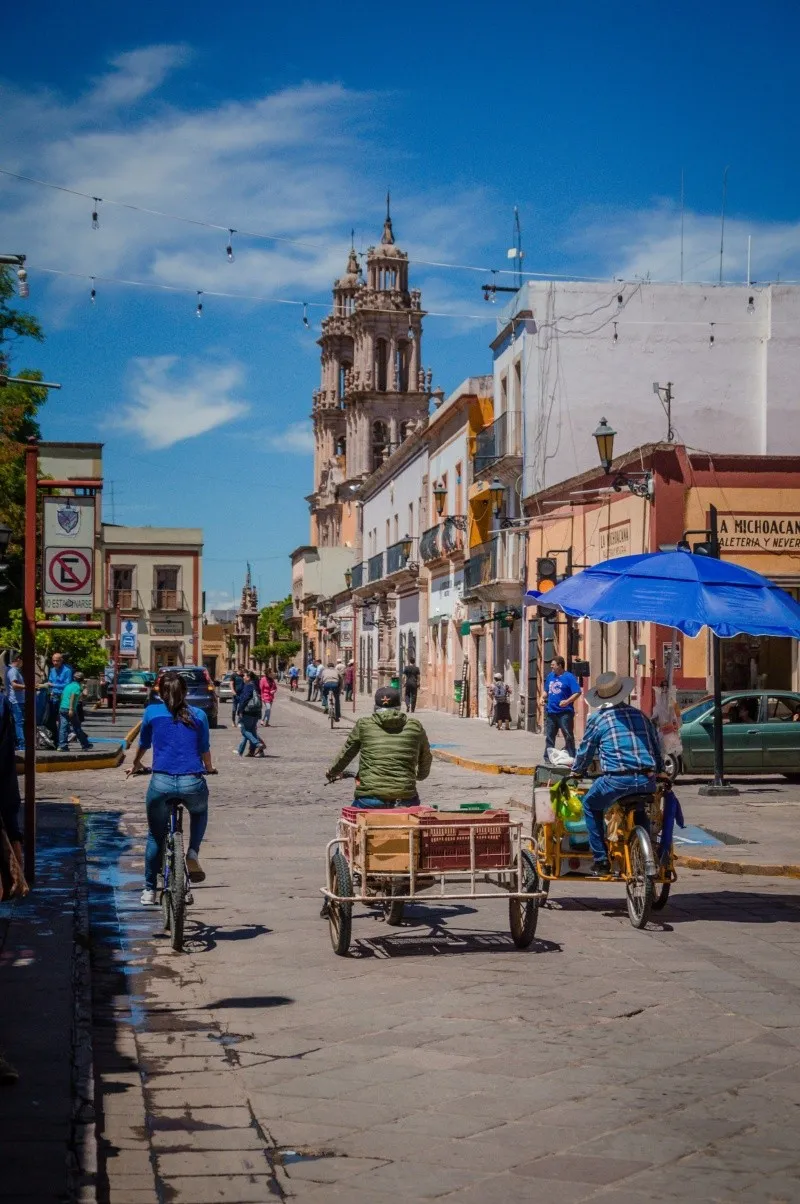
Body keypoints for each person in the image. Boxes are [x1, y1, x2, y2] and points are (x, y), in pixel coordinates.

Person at [130, 670, 215, 904]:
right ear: (185, 692)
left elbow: (143, 745)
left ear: (159, 692)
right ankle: (193, 852)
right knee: (199, 811)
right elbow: (204, 748)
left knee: (155, 837)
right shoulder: (198, 715)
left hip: (161, 782)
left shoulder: (152, 713)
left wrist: (135, 765)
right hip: (192, 781)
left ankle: (149, 890)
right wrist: (208, 767)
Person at [572, 671, 663, 876]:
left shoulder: (598, 719)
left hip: (617, 780)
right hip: (647, 779)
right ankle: (644, 850)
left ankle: (601, 859)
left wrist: (577, 771)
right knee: (639, 808)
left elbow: (586, 751)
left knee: (591, 805)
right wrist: (661, 771)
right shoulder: (641, 715)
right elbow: (656, 749)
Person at [326, 686, 432, 807]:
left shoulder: (364, 725)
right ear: (399, 706)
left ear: (376, 707)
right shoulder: (414, 726)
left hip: (370, 798)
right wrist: (420, 776)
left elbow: (347, 753)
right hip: (406, 798)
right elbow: (426, 756)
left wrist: (333, 772)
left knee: (352, 820)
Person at [543, 656, 581, 759]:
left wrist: (567, 701)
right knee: (550, 736)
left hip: (565, 713)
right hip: (551, 711)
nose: (551, 667)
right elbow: (546, 690)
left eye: (553, 665)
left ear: (560, 665)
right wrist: (542, 698)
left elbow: (577, 692)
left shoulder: (569, 677)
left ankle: (572, 756)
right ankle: (548, 758)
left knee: (568, 735)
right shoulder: (550, 676)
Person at [58, 671, 93, 752]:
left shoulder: (68, 686)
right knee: (77, 727)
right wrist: (70, 708)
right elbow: (73, 697)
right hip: (70, 709)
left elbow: (62, 696)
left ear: (74, 678)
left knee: (63, 728)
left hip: (62, 707)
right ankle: (85, 745)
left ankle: (62, 746)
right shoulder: (77, 687)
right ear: (82, 679)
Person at [236, 671, 265, 757]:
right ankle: (251, 751)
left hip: (248, 711)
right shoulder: (256, 685)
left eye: (244, 676)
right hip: (256, 712)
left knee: (244, 731)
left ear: (248, 678)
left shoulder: (248, 686)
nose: (243, 677)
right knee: (252, 731)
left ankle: (257, 744)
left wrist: (240, 710)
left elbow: (245, 699)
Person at [653, 679, 682, 764]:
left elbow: (678, 716)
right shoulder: (659, 703)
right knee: (662, 751)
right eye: (663, 687)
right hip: (662, 732)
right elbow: (655, 715)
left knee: (670, 751)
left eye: (666, 687)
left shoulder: (672, 702)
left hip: (671, 732)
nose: (664, 689)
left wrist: (677, 724)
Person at [47, 652, 73, 745]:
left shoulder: (67, 670)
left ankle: (64, 740)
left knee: (63, 720)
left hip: (63, 697)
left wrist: (54, 685)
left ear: (61, 660)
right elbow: (50, 681)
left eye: (57, 661)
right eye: (53, 660)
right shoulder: (52, 670)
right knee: (51, 719)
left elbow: (67, 684)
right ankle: (55, 738)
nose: (55, 663)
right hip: (53, 696)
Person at [5, 653, 25, 750]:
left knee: (18, 723)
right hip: (16, 701)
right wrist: (29, 686)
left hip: (18, 700)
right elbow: (15, 686)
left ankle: (18, 744)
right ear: (18, 660)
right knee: (19, 723)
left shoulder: (15, 671)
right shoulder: (13, 671)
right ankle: (21, 745)